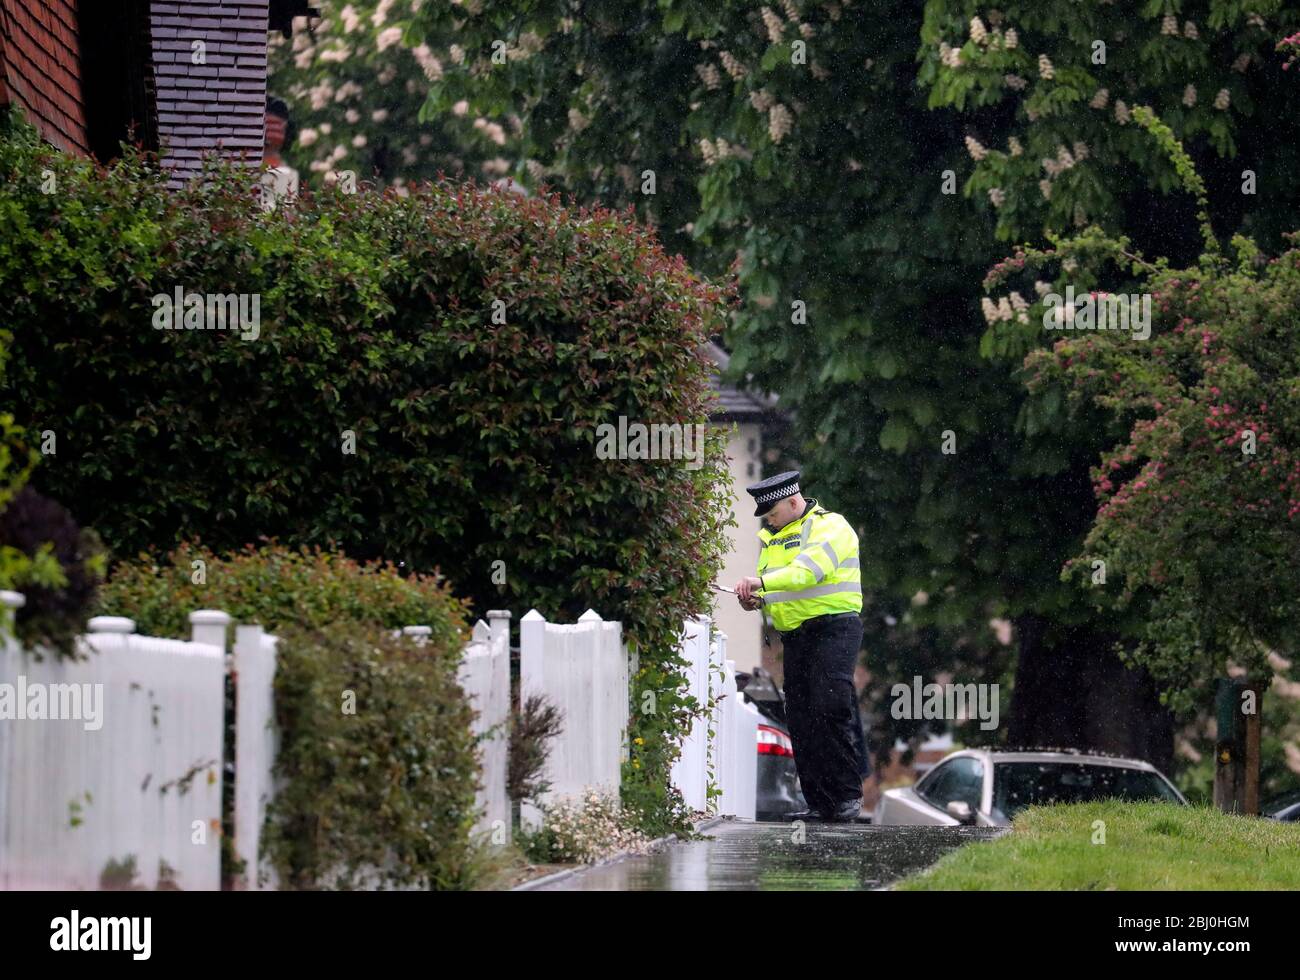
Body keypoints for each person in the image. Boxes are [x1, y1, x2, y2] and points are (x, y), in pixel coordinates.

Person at [735, 470, 868, 821]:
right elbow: (782, 590)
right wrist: (757, 600)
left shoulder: (831, 527)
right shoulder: (774, 540)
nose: (770, 521)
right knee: (801, 717)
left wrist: (759, 582)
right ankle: (820, 803)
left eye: (773, 513)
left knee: (830, 705)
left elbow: (806, 574)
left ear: (794, 502)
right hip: (797, 636)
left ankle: (847, 797)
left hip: (834, 628)